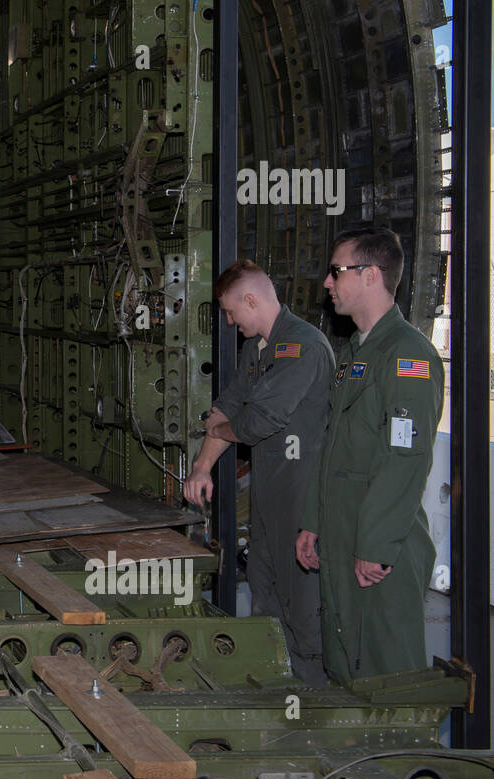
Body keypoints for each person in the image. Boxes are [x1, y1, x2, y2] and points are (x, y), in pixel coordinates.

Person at [296, 227, 443, 684]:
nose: (327, 282)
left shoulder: (406, 357)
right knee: (344, 660)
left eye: (336, 271)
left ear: (371, 275)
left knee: (387, 671)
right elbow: (334, 447)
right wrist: (313, 519)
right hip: (343, 533)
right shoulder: (356, 353)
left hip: (379, 547)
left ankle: (405, 757)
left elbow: (405, 459)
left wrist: (376, 546)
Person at [184, 260, 334, 684]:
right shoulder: (259, 348)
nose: (230, 322)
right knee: (266, 593)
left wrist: (223, 427)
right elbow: (230, 405)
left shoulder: (301, 345)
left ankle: (313, 701)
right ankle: (277, 689)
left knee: (302, 605)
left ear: (252, 300)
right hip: (271, 494)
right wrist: (201, 467)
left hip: (300, 498)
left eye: (232, 312)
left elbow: (255, 422)